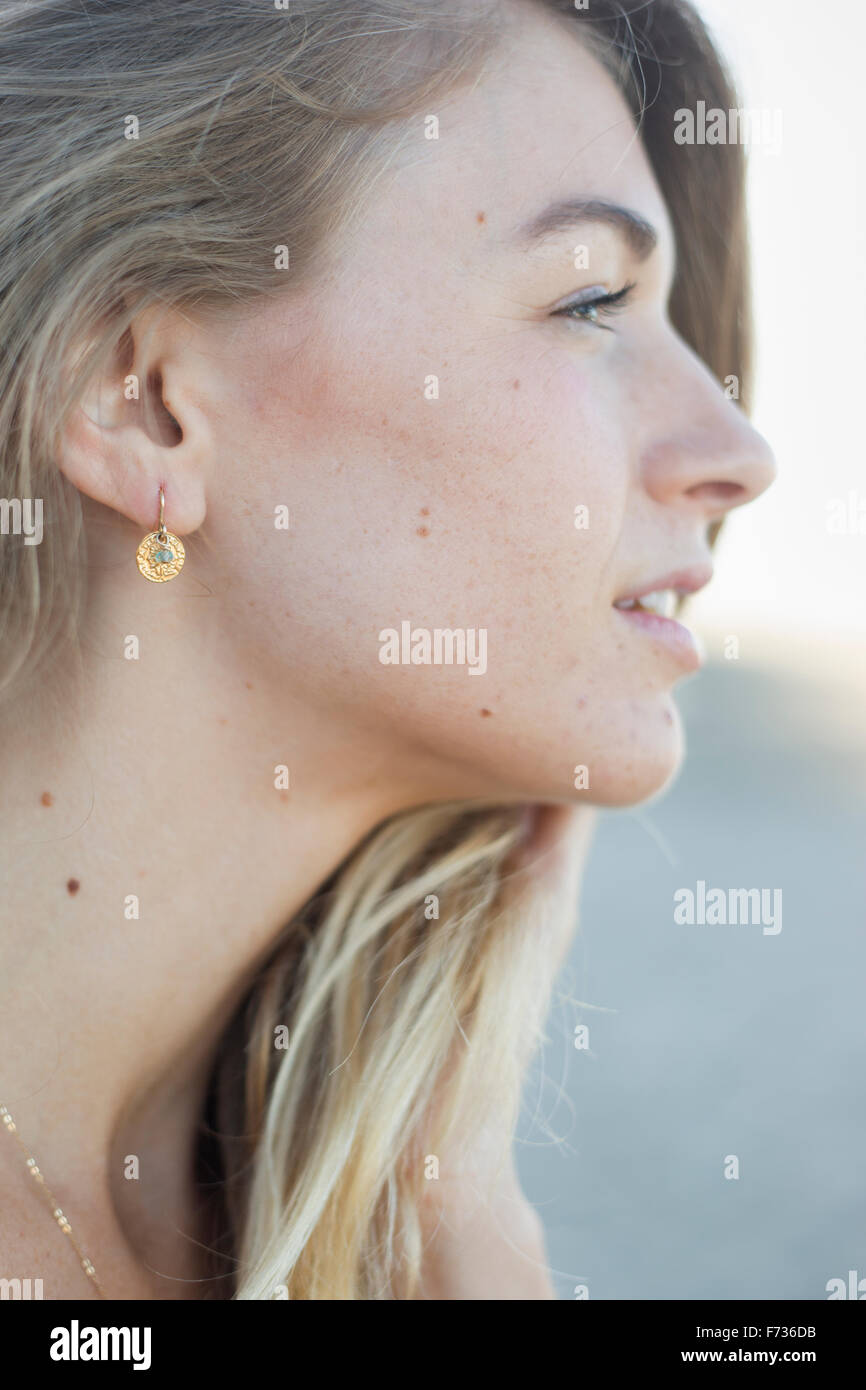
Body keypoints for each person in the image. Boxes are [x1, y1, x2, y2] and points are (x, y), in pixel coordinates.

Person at [0, 0, 775, 1300]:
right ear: (146, 405)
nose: (739, 456)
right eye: (590, 298)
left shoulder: (390, 1233)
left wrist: (467, 1229)